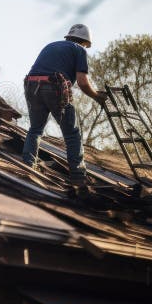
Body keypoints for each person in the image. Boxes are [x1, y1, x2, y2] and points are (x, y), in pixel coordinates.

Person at [21, 24, 108, 186]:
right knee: (72, 133)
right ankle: (78, 175)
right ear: (86, 43)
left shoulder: (51, 45)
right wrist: (97, 96)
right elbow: (82, 82)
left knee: (35, 129)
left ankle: (28, 165)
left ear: (68, 37)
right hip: (54, 86)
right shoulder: (79, 50)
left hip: (32, 84)